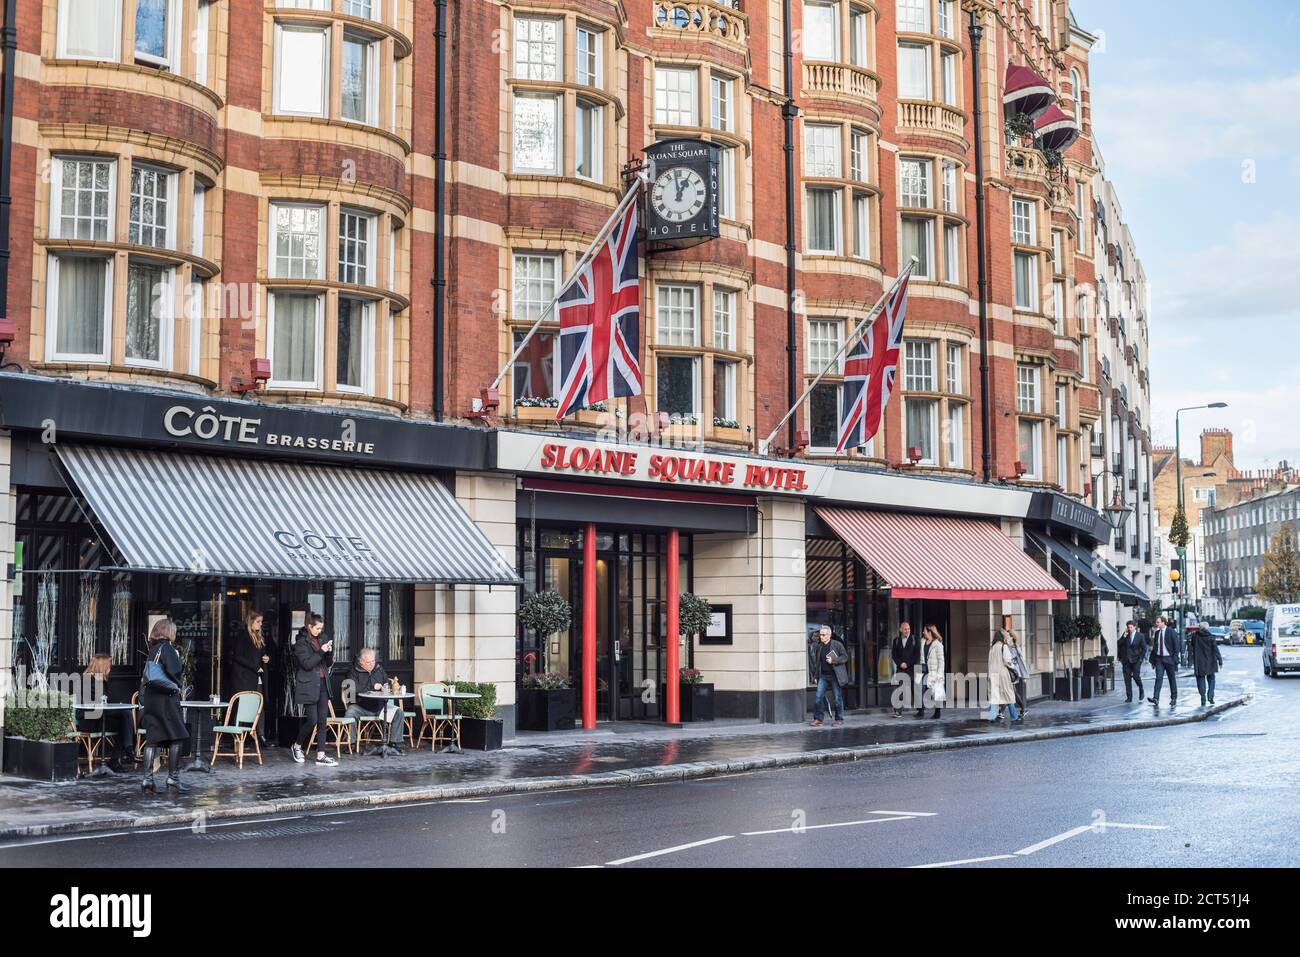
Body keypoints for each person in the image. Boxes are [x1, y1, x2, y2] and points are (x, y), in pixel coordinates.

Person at [139, 619, 191, 793]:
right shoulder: (168, 649)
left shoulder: (153, 649)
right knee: (178, 736)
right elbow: (174, 671)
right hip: (166, 699)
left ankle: (147, 780)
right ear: (170, 632)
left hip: (151, 698)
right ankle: (173, 778)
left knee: (152, 738)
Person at [292, 614, 338, 766]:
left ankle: (320, 755)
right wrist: (321, 651)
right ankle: (297, 746)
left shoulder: (322, 638)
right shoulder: (301, 643)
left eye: (321, 628)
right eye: (317, 628)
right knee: (312, 720)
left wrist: (329, 651)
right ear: (309, 627)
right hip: (309, 685)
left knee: (322, 721)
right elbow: (306, 664)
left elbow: (328, 662)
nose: (320, 631)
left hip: (323, 682)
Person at [345, 648, 406, 751]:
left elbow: (387, 683)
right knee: (350, 712)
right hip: (361, 707)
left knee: (399, 712)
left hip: (381, 707)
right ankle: (351, 744)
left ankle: (394, 743)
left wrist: (387, 686)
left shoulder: (379, 669)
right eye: (368, 662)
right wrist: (373, 687)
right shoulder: (353, 672)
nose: (371, 664)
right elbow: (352, 689)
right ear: (361, 662)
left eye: (373, 661)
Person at [78, 653, 133, 769]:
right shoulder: (87, 680)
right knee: (125, 717)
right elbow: (92, 704)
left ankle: (119, 757)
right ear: (101, 666)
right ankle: (126, 752)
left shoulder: (101, 681)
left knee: (125, 719)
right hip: (89, 720)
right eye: (108, 666)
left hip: (101, 717)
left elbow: (105, 701)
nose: (110, 668)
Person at [229, 609, 271, 744]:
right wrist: (254, 666)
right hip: (244, 678)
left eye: (261, 622)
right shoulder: (243, 636)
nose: (260, 624)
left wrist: (265, 658)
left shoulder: (259, 636)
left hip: (256, 677)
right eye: (258, 622)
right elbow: (238, 656)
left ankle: (260, 735)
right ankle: (239, 737)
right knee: (242, 707)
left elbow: (261, 654)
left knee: (259, 706)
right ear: (251, 622)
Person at [810, 625, 849, 727]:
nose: (821, 637)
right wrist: (815, 676)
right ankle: (818, 719)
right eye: (820, 635)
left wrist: (834, 660)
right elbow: (817, 663)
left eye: (823, 635)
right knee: (818, 697)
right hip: (823, 676)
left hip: (835, 676)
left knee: (837, 698)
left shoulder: (837, 645)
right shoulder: (819, 646)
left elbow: (845, 657)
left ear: (829, 635)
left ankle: (839, 719)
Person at [987, 630, 1021, 723]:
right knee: (1009, 695)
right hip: (1003, 674)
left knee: (994, 696)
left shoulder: (992, 648)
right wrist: (1013, 667)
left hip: (992, 674)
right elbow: (1007, 661)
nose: (1006, 637)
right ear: (1002, 637)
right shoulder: (1004, 646)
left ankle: (991, 716)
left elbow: (989, 662)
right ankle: (1014, 716)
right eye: (1005, 635)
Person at [1147, 614, 1181, 707]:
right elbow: (1155, 647)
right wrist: (1153, 661)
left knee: (1171, 679)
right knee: (1158, 678)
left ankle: (1173, 698)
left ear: (1163, 622)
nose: (1156, 623)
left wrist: (1174, 659)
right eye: (1156, 622)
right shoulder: (1157, 633)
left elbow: (1176, 646)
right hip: (1159, 659)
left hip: (1169, 659)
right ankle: (1156, 698)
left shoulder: (1171, 632)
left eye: (1158, 622)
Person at [890, 621, 920, 716]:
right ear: (900, 630)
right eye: (905, 629)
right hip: (901, 669)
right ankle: (898, 711)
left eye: (908, 629)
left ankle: (920, 710)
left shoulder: (915, 639)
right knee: (900, 690)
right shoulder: (896, 640)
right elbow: (894, 655)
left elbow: (917, 654)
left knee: (915, 690)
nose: (907, 631)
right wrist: (900, 663)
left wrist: (907, 663)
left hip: (912, 669)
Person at [1190, 623, 1223, 706]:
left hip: (1199, 662)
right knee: (1211, 679)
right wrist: (1220, 660)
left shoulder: (1195, 637)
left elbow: (1192, 647)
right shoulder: (1211, 637)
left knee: (1200, 680)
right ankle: (1210, 696)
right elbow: (1216, 650)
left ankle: (1203, 697)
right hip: (1211, 661)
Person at [1116, 620, 1148, 702]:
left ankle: (1141, 688)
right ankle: (1129, 697)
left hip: (1136, 660)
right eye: (1128, 627)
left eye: (1131, 627)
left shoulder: (1140, 636)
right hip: (1126, 660)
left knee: (1136, 676)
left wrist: (1141, 659)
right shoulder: (1125, 635)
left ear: (1135, 627)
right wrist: (1124, 636)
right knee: (1127, 679)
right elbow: (1118, 644)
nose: (1130, 629)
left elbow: (1144, 648)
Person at [920, 625, 946, 720]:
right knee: (920, 689)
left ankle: (937, 712)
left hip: (934, 671)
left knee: (937, 691)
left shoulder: (938, 645)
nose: (923, 633)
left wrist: (939, 674)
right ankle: (920, 710)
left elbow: (941, 660)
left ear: (930, 632)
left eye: (924, 631)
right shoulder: (922, 642)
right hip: (923, 671)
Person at [1006, 629, 1031, 718]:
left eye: (1008, 635)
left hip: (1013, 673)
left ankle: (1023, 708)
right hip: (1007, 672)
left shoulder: (1015, 647)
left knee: (1011, 691)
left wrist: (1024, 676)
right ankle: (1023, 709)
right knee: (1011, 691)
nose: (1006, 637)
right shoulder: (1006, 646)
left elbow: (1021, 662)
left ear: (1012, 637)